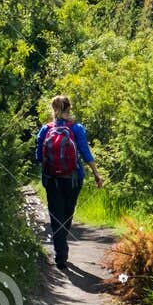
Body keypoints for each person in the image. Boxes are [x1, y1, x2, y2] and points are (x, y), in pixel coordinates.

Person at [34, 94, 104, 270]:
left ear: (53, 108)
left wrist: (51, 167)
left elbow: (37, 156)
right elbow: (86, 153)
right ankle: (63, 247)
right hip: (73, 179)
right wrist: (96, 173)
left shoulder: (45, 129)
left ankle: (60, 255)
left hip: (51, 179)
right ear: (69, 108)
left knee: (55, 216)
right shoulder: (77, 128)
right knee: (67, 213)